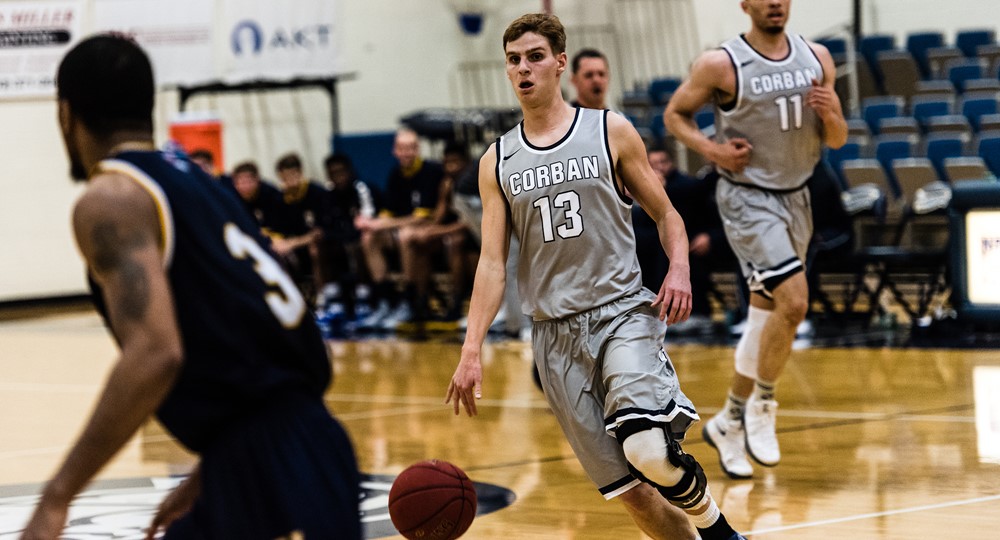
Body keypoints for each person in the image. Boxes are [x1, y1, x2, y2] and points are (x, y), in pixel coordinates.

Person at [21, 34, 361, 539]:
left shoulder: (111, 198)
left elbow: (156, 353)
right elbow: (264, 347)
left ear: (66, 113)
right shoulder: (202, 184)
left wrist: (57, 497)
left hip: (266, 457)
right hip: (307, 444)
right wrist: (211, 471)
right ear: (149, 106)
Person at [446, 14, 745, 540]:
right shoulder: (497, 160)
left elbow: (668, 215)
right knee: (637, 500)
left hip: (621, 312)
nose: (524, 68)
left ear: (560, 62)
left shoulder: (609, 129)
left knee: (648, 450)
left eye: (535, 56)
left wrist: (678, 269)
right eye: (514, 59)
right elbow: (492, 263)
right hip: (554, 338)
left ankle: (718, 531)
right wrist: (472, 348)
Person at [664, 0, 848, 479]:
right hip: (748, 200)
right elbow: (675, 115)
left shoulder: (818, 57)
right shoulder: (720, 63)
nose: (773, 3)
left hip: (797, 197)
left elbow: (838, 141)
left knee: (764, 314)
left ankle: (728, 419)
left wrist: (831, 115)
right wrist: (712, 150)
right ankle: (762, 406)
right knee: (794, 303)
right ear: (745, 4)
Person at [632, 145, 733, 335]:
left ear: (672, 164)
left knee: (678, 253)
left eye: (663, 162)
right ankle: (650, 309)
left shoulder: (686, 185)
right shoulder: (644, 185)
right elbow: (645, 221)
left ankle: (696, 314)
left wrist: (661, 189)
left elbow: (689, 204)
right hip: (667, 244)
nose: (659, 167)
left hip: (702, 240)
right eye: (653, 164)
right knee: (643, 243)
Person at [355, 127, 444, 330]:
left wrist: (384, 223)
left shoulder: (431, 171)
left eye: (411, 148)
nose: (406, 153)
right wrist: (373, 223)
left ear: (418, 149)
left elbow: (422, 217)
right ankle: (385, 302)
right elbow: (388, 211)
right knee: (369, 236)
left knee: (406, 235)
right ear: (394, 151)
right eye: (402, 149)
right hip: (401, 230)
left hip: (428, 232)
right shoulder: (396, 173)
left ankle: (409, 301)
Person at [271, 153, 331, 303]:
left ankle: (323, 296)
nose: (289, 180)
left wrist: (293, 243)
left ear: (300, 172)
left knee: (314, 249)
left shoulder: (317, 192)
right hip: (292, 245)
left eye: (292, 175)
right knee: (276, 252)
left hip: (320, 242)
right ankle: (292, 299)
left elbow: (319, 232)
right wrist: (278, 242)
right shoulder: (279, 199)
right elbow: (276, 230)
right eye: (284, 177)